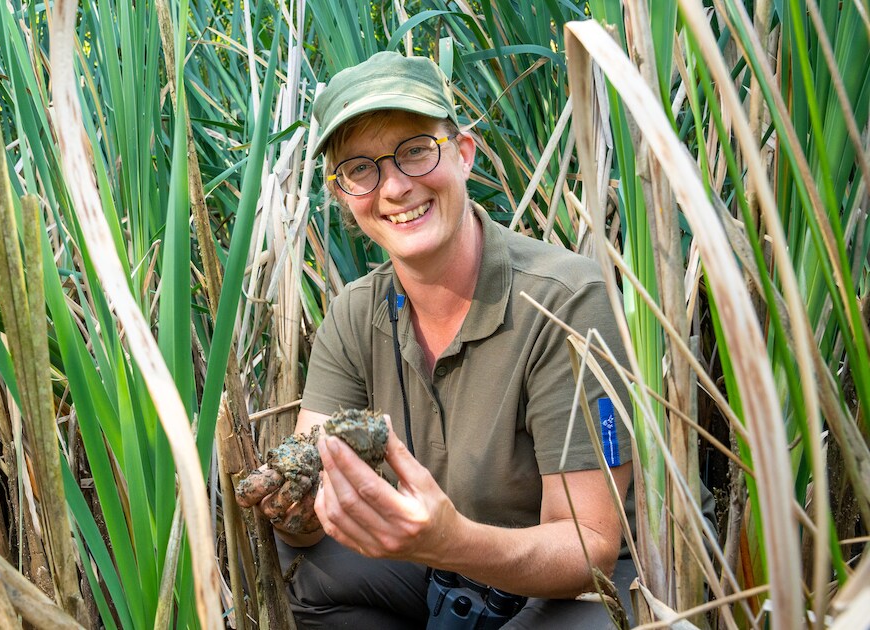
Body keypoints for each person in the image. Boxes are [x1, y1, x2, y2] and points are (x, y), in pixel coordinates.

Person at [237, 51, 637, 629]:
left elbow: (590, 548)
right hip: (448, 568)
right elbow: (313, 492)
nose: (395, 187)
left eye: (416, 151)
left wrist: (449, 542)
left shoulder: (565, 298)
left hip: (573, 586)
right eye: (360, 168)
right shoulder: (355, 313)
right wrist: (292, 507)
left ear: (464, 154)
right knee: (315, 563)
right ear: (343, 194)